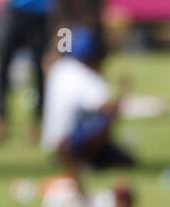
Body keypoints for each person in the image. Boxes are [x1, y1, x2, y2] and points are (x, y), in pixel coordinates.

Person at [40, 28, 132, 172]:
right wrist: (124, 94)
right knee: (105, 118)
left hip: (52, 143)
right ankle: (86, 160)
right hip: (69, 145)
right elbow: (107, 108)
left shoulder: (59, 68)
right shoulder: (86, 75)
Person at [0, 0, 51, 142]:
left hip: (41, 12)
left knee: (41, 69)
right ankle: (0, 121)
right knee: (1, 67)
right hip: (13, 10)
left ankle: (38, 122)